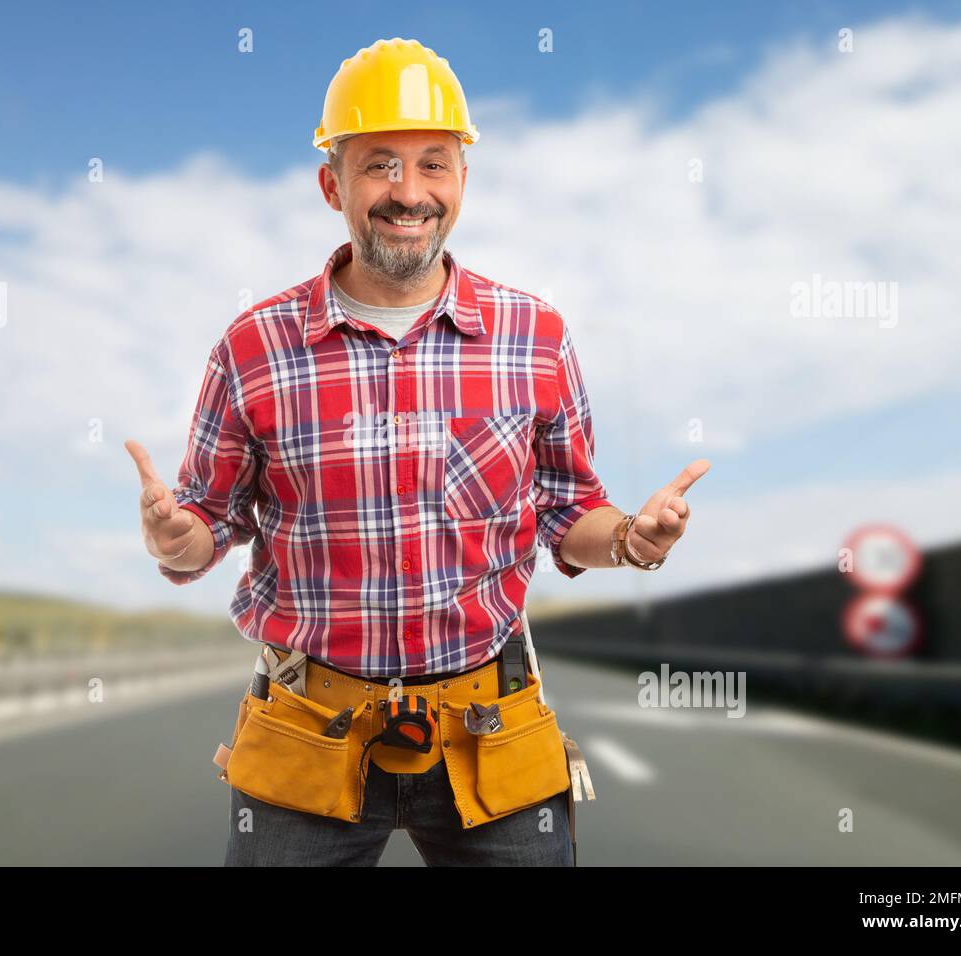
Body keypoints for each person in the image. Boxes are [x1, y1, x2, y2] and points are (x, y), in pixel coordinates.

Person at [125, 37, 709, 866]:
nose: (409, 192)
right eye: (380, 165)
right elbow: (206, 521)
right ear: (332, 184)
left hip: (489, 728)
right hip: (306, 732)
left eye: (433, 163)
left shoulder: (532, 338)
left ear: (462, 179)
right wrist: (176, 537)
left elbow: (569, 510)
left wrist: (627, 538)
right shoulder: (253, 349)